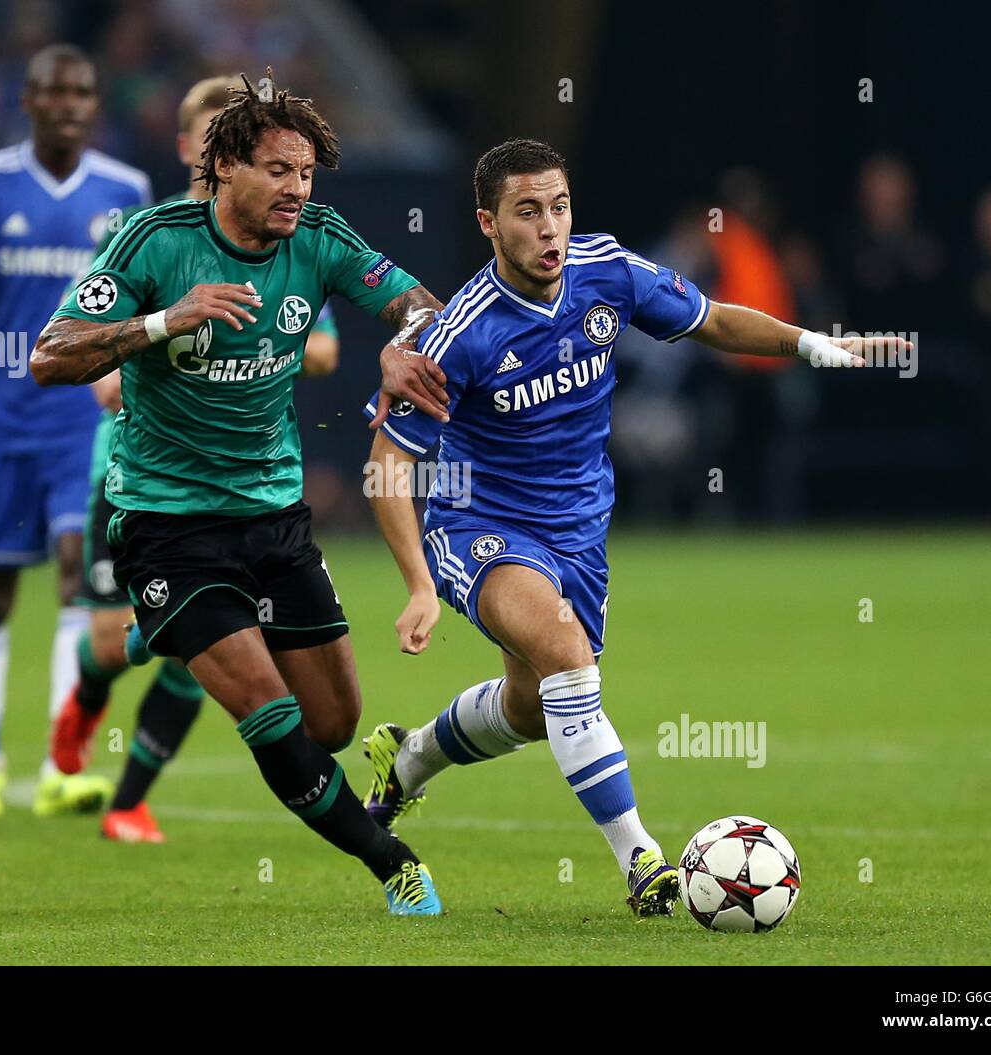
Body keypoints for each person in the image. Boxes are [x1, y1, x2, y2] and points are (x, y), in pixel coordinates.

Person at [359, 138, 907, 915]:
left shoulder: (607, 272)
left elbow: (711, 320)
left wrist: (813, 343)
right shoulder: (460, 334)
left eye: (559, 207)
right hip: (479, 524)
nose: (549, 228)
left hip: (578, 531)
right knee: (564, 650)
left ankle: (406, 758)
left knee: (531, 705)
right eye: (526, 213)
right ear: (487, 222)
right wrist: (417, 581)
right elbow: (388, 461)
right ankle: (643, 859)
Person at [30, 72, 450, 915]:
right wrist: (160, 322)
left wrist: (406, 343)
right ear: (220, 166)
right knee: (269, 713)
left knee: (331, 723)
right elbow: (50, 354)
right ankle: (394, 863)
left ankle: (164, 637)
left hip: (273, 519)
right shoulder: (155, 241)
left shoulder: (320, 236)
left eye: (305, 172)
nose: (297, 188)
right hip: (165, 524)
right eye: (276, 169)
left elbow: (417, 304)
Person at [52, 75, 341, 843]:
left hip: (243, 488)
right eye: (227, 137)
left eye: (293, 166)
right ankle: (88, 682)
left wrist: (269, 339)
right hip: (139, 474)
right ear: (197, 149)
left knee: (204, 651)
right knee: (123, 639)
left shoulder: (286, 239)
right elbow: (83, 346)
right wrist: (145, 345)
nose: (282, 176)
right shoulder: (148, 235)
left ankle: (128, 800)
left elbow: (322, 343)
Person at [0, 44, 151, 819]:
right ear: (29, 99)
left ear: (95, 102)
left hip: (83, 421)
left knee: (78, 575)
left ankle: (60, 761)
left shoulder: (127, 191)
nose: (69, 103)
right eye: (54, 91)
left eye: (82, 91)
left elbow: (147, 294)